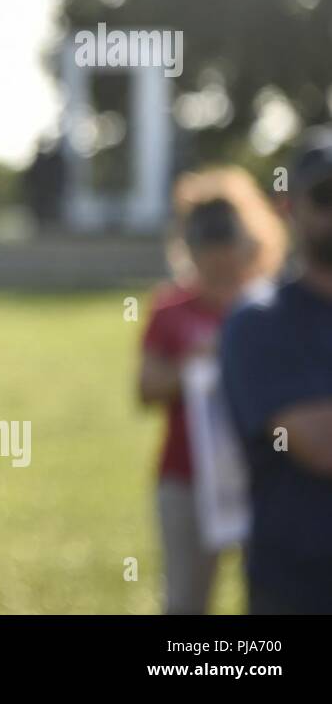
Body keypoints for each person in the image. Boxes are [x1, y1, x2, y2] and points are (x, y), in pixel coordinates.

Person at [137, 167, 286, 614]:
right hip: (186, 478)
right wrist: (194, 364)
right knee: (186, 601)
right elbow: (146, 389)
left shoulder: (273, 307)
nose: (218, 262)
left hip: (266, 476)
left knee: (275, 597)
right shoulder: (171, 307)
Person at [221, 129, 332, 614]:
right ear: (290, 208)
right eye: (327, 196)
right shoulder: (261, 320)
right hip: (297, 587)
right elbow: (321, 446)